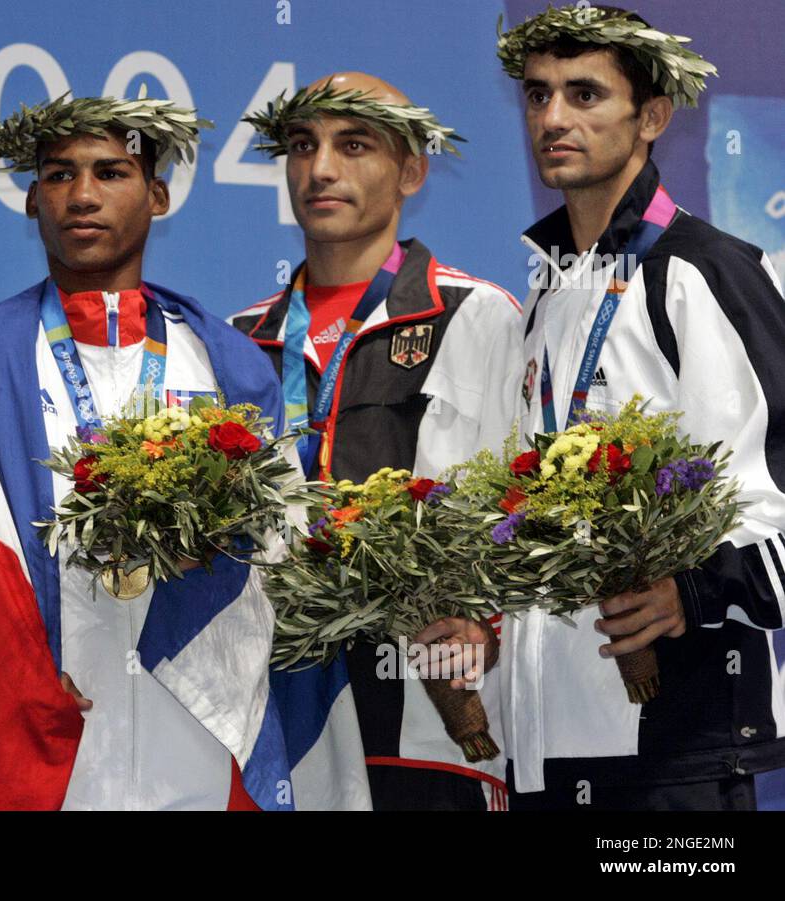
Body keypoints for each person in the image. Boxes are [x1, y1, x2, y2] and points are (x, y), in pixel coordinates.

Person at [0, 90, 368, 810]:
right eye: (59, 175)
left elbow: (285, 565)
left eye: (111, 172)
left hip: (197, 732)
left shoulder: (225, 364)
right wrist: (20, 675)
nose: (82, 195)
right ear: (31, 200)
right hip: (49, 732)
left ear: (158, 194)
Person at [496, 4, 785, 810]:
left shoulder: (702, 272)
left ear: (653, 116)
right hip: (546, 746)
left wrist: (690, 593)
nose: (553, 117)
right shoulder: (550, 285)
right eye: (537, 94)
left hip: (675, 751)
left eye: (585, 95)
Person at [232, 72, 524, 810]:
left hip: (426, 718)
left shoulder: (476, 317)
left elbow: (522, 514)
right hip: (273, 719)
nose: (320, 168)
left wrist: (483, 632)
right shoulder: (236, 341)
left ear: (412, 170)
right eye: (302, 146)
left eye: (353, 145)